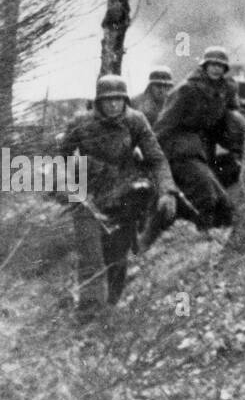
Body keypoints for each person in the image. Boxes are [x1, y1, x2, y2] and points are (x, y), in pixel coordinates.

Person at [60, 74, 178, 316]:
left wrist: (167, 190)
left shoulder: (136, 121)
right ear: (98, 101)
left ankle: (109, 311)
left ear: (125, 99)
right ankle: (89, 315)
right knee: (91, 257)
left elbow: (156, 158)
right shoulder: (80, 122)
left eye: (118, 99)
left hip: (123, 195)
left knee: (117, 259)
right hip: (86, 194)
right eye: (108, 100)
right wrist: (66, 185)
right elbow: (59, 158)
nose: (114, 104)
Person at [154, 46, 245, 228]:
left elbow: (233, 114)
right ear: (205, 66)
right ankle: (203, 234)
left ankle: (213, 235)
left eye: (221, 66)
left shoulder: (226, 88)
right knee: (206, 196)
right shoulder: (187, 89)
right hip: (179, 146)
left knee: (224, 203)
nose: (216, 69)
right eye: (212, 64)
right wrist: (153, 153)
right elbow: (164, 124)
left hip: (204, 144)